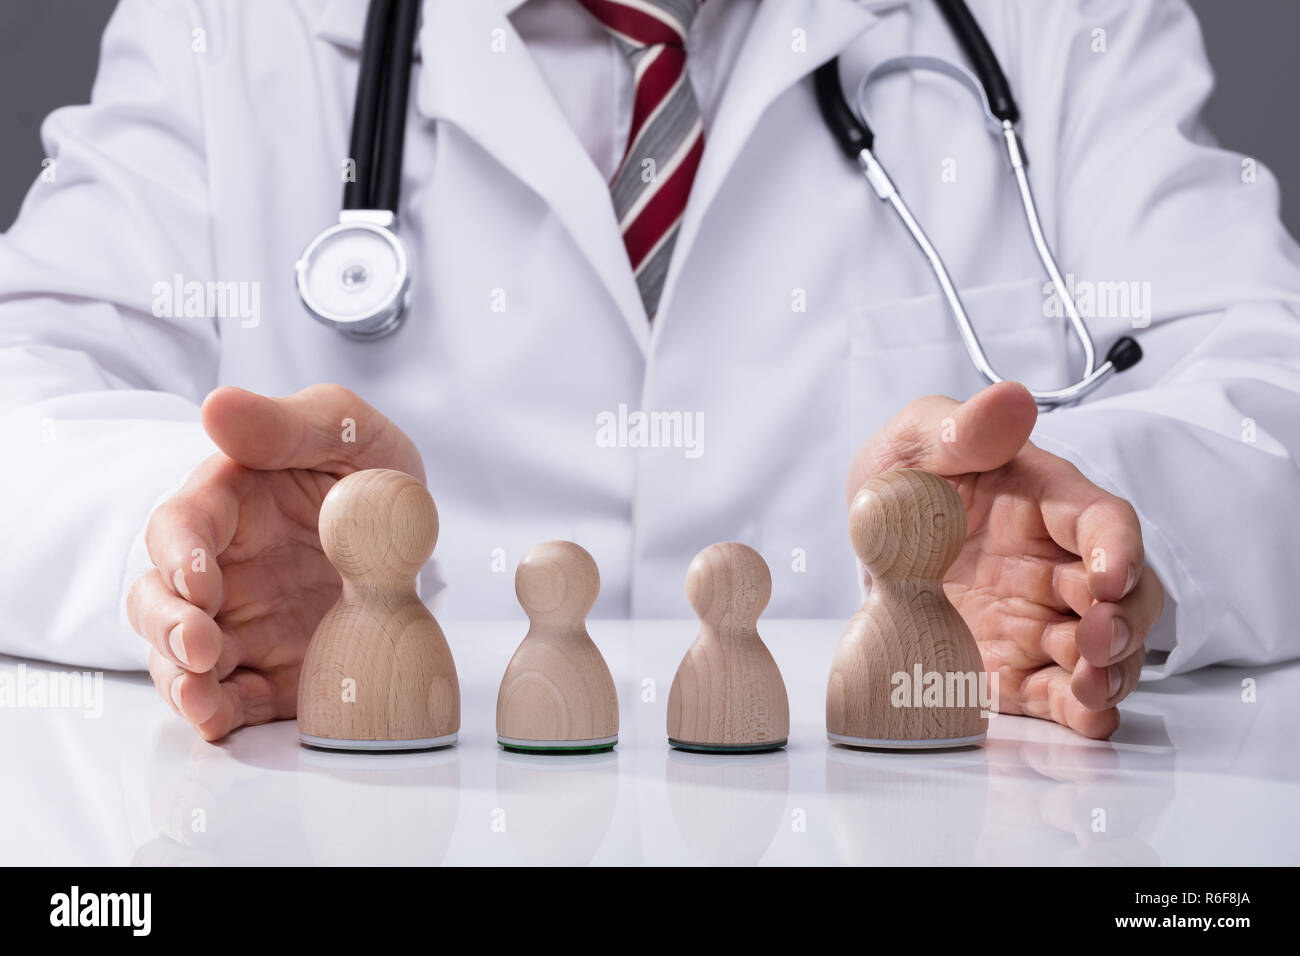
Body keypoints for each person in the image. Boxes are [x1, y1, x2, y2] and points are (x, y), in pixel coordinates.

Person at [1, 0, 1297, 744]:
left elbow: (1272, 387)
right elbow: (20, 396)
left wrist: (1110, 533)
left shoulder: (1058, 20)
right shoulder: (227, 24)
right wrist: (186, 535)